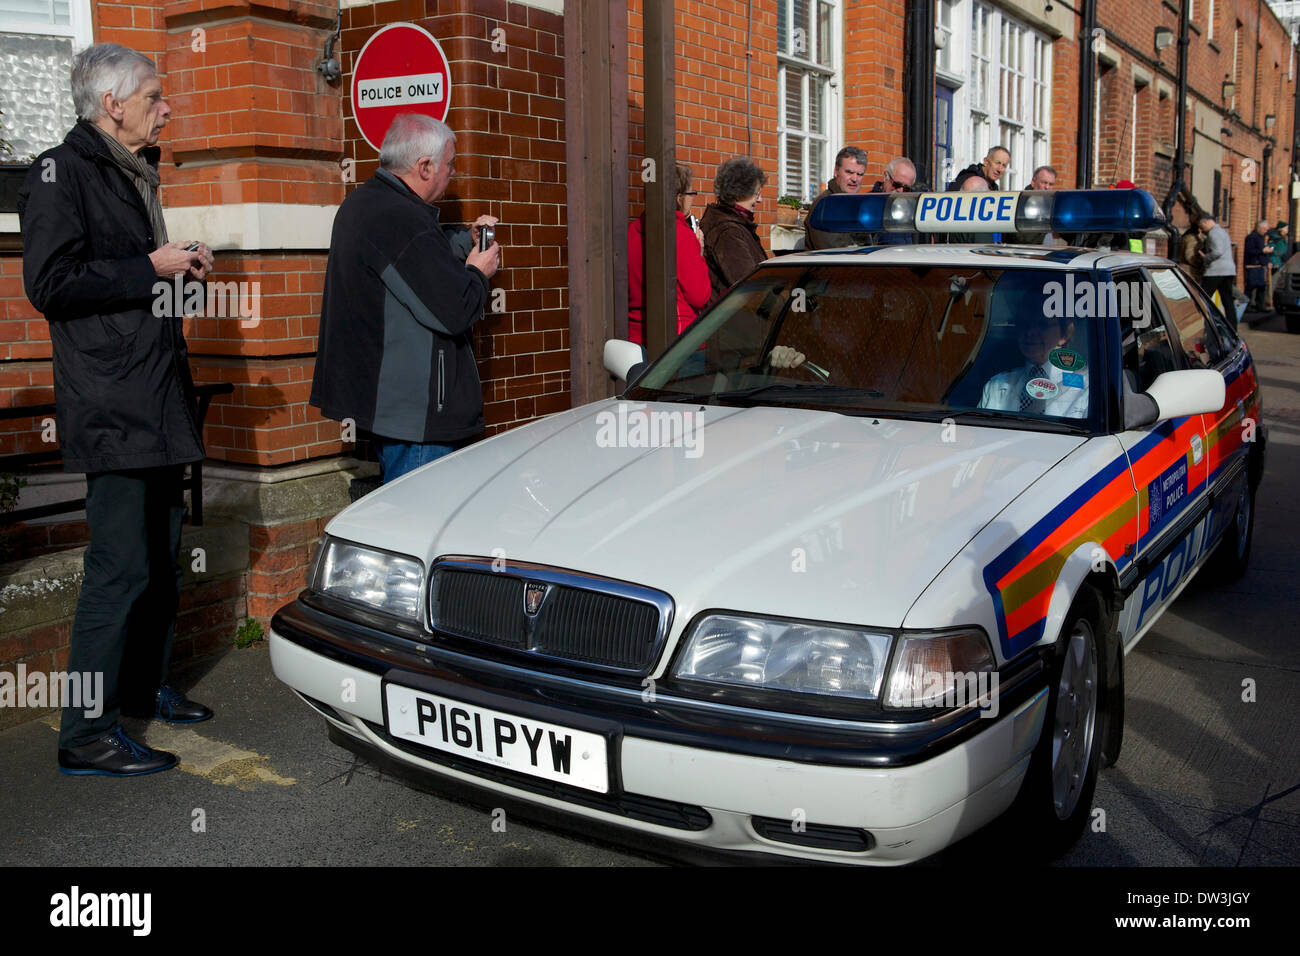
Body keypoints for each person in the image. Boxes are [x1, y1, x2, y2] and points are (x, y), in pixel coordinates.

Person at [17, 42, 217, 776]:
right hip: (112, 404)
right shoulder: (58, 173)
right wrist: (149, 268)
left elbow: (136, 290)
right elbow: (52, 284)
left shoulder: (135, 172)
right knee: (117, 567)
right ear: (114, 104)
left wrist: (180, 274)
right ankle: (86, 734)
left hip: (157, 396)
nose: (168, 109)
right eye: (156, 97)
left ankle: (143, 687)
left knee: (160, 558)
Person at [311, 113, 500, 484]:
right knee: (418, 527)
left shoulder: (367, 203)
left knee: (412, 524)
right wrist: (479, 271)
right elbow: (455, 308)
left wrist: (465, 242)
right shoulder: (399, 217)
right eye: (450, 164)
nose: (453, 173)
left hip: (394, 408)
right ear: (425, 166)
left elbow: (417, 265)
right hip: (418, 418)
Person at [627, 163, 710, 348]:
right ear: (679, 198)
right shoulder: (680, 234)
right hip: (679, 341)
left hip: (637, 337)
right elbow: (700, 296)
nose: (693, 200)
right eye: (691, 194)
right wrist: (700, 252)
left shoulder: (632, 232)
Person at [980, 310, 1088, 419]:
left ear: (1064, 335)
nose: (1029, 332)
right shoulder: (996, 385)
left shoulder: (1085, 385)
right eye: (1024, 324)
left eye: (1043, 325)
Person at [702, 157, 768, 306]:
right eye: (756, 194)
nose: (760, 200)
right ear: (738, 194)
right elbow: (750, 287)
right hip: (732, 323)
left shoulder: (735, 225)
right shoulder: (727, 232)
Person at [805, 146, 871, 250]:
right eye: (849, 172)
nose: (854, 179)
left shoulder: (859, 207)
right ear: (836, 172)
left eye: (860, 174)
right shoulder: (825, 206)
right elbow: (832, 253)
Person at [864, 156, 918, 246]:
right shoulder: (867, 205)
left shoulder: (910, 208)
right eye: (897, 184)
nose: (900, 190)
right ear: (885, 176)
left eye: (906, 188)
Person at [1198, 214, 1238, 325]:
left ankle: (1199, 324)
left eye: (1201, 225)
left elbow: (1217, 251)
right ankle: (1232, 327)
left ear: (1205, 221)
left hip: (1216, 271)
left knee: (1201, 298)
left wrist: (1205, 257)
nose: (1201, 229)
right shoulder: (1222, 231)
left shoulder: (1214, 233)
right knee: (1227, 300)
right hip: (1228, 270)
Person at [1009, 164, 1057, 244]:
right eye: (1044, 182)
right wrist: (1044, 225)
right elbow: (1021, 238)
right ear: (1033, 182)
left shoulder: (1049, 202)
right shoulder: (1021, 202)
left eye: (1051, 184)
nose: (1047, 187)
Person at [1244, 219, 1274, 311]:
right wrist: (1262, 251)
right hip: (1253, 265)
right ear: (1259, 227)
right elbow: (1249, 251)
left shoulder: (1261, 237)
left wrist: (1267, 261)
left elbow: (1263, 253)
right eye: (1264, 229)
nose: (1266, 231)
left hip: (1260, 265)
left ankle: (1260, 305)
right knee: (1251, 286)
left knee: (1261, 286)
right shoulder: (1251, 237)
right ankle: (1247, 306)